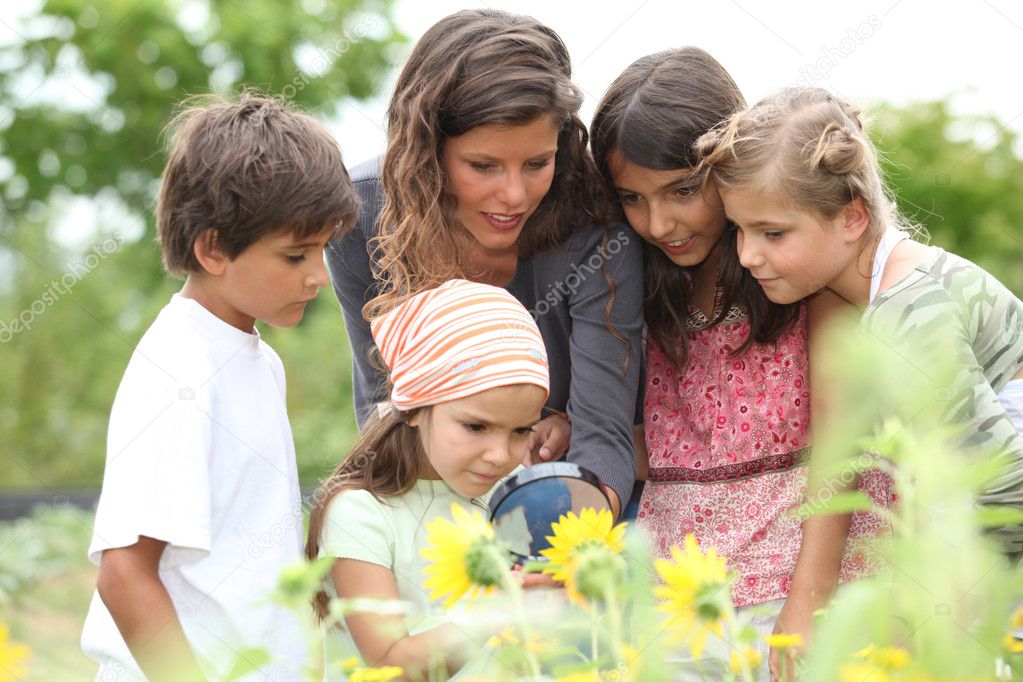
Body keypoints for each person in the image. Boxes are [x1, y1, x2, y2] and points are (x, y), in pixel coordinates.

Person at [590, 51, 893, 678]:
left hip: (798, 570)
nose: (659, 223)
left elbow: (842, 447)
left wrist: (808, 603)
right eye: (632, 199)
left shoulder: (800, 272)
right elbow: (701, 444)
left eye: (682, 190)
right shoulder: (644, 281)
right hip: (683, 584)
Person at [79, 94, 359, 681]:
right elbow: (124, 572)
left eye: (322, 251)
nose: (317, 276)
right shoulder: (179, 364)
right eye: (294, 255)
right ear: (213, 249)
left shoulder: (257, 359)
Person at [325, 9, 644, 517]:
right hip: (430, 502)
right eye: (483, 166)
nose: (514, 195)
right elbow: (383, 412)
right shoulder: (359, 219)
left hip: (570, 501)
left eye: (537, 163)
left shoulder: (595, 232)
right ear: (427, 152)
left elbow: (603, 438)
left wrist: (566, 551)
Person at [697, 87, 1023, 554]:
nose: (747, 256)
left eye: (773, 232)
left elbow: (1007, 492)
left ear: (852, 218)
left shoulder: (907, 311)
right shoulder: (892, 288)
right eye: (739, 230)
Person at [305, 279, 550, 679]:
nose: (500, 455)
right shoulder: (359, 512)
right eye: (475, 426)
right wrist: (501, 610)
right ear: (415, 408)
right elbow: (390, 665)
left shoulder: (511, 493)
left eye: (521, 431)